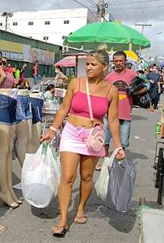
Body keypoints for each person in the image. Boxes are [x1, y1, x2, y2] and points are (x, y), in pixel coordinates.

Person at [41, 50, 125, 237]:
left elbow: (112, 120)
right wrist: (52, 130)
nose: (88, 67)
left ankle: (80, 207)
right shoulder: (76, 83)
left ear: (104, 67)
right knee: (67, 177)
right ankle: (63, 219)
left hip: (93, 139)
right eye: (87, 64)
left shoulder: (111, 90)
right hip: (71, 133)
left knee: (86, 177)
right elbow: (64, 109)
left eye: (93, 64)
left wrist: (118, 146)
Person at [97, 51, 142, 170]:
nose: (118, 63)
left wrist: (135, 92)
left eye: (121, 61)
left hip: (125, 114)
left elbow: (145, 86)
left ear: (125, 61)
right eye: (116, 61)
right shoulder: (109, 76)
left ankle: (119, 163)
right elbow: (102, 92)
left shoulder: (132, 75)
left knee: (123, 142)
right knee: (105, 140)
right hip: (109, 114)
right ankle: (106, 162)